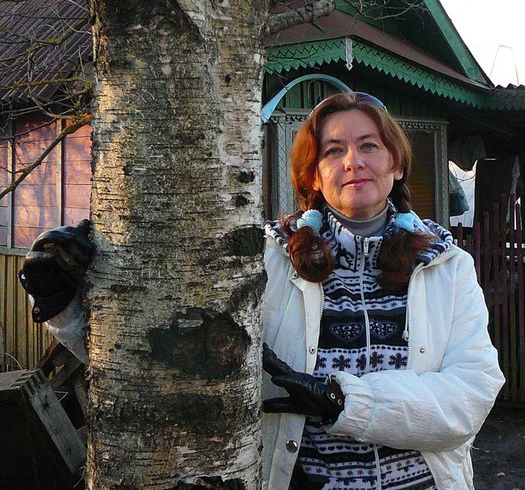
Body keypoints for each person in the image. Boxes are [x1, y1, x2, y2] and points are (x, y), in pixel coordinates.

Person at [19, 92, 504, 490]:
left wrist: (346, 402)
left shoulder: (446, 265)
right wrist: (64, 306)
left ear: (396, 164)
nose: (353, 162)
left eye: (369, 146)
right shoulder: (266, 258)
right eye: (333, 151)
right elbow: (174, 363)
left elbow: (472, 394)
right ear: (314, 176)